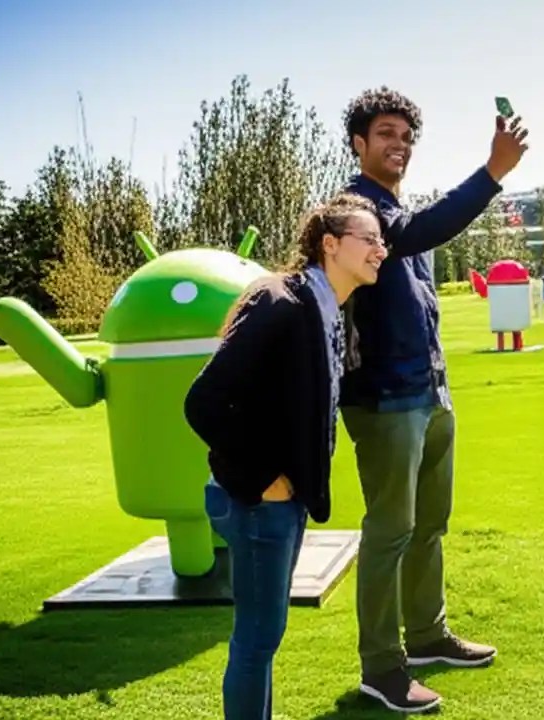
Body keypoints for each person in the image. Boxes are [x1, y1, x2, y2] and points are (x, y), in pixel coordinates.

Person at [335, 86, 529, 713]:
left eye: (406, 136)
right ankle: (381, 668)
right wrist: (493, 172)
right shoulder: (356, 210)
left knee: (429, 525)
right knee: (390, 531)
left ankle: (425, 636)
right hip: (385, 398)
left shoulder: (397, 210)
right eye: (385, 134)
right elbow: (418, 232)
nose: (399, 145)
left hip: (430, 392)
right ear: (359, 143)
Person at [184, 193, 388, 720]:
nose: (380, 250)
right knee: (257, 638)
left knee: (264, 636)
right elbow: (204, 402)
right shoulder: (280, 303)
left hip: (282, 503)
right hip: (257, 502)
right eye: (369, 239)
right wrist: (265, 480)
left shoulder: (327, 310)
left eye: (382, 241)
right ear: (330, 244)